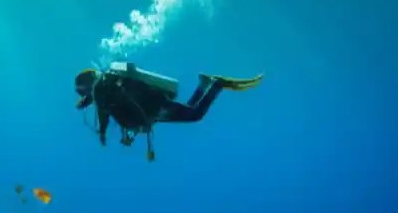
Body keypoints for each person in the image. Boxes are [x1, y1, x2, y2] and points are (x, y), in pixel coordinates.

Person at [75, 63, 262, 161]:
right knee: (190, 113)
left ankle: (216, 84)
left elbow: (107, 110)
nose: (84, 95)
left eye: (82, 90)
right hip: (154, 110)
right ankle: (204, 84)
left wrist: (103, 133)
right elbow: (103, 106)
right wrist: (87, 104)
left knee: (195, 115)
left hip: (155, 109)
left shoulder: (100, 89)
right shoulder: (103, 89)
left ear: (87, 85)